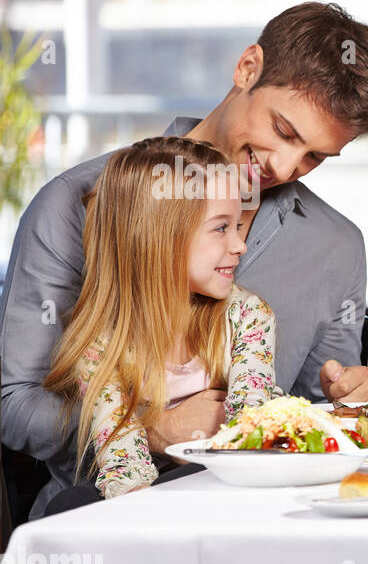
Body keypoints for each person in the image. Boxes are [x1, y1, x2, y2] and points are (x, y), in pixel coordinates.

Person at [1, 1, 368, 518]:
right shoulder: (77, 203)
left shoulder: (337, 246)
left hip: (272, 519)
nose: (284, 167)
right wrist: (151, 430)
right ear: (247, 68)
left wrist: (346, 405)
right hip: (105, 517)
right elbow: (14, 406)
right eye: (284, 130)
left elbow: (308, 416)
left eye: (315, 157)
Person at [43, 138, 282, 504]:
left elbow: (252, 428)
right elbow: (123, 464)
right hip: (152, 498)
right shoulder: (100, 345)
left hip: (226, 483)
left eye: (238, 225)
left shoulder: (249, 316)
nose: (240, 245)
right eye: (221, 228)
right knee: (73, 502)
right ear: (160, 237)